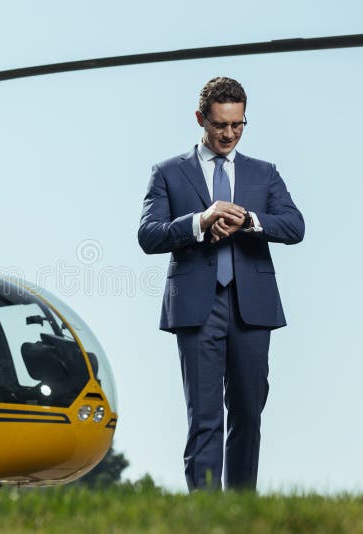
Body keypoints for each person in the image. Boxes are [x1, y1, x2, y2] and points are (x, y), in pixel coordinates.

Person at [137, 77, 304, 491]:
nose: (229, 134)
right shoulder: (168, 173)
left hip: (253, 306)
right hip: (197, 307)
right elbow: (148, 235)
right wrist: (199, 221)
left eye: (238, 124)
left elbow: (295, 226)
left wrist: (250, 221)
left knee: (249, 412)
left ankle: (241, 509)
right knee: (205, 417)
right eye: (219, 125)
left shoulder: (264, 174)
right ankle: (206, 513)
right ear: (201, 119)